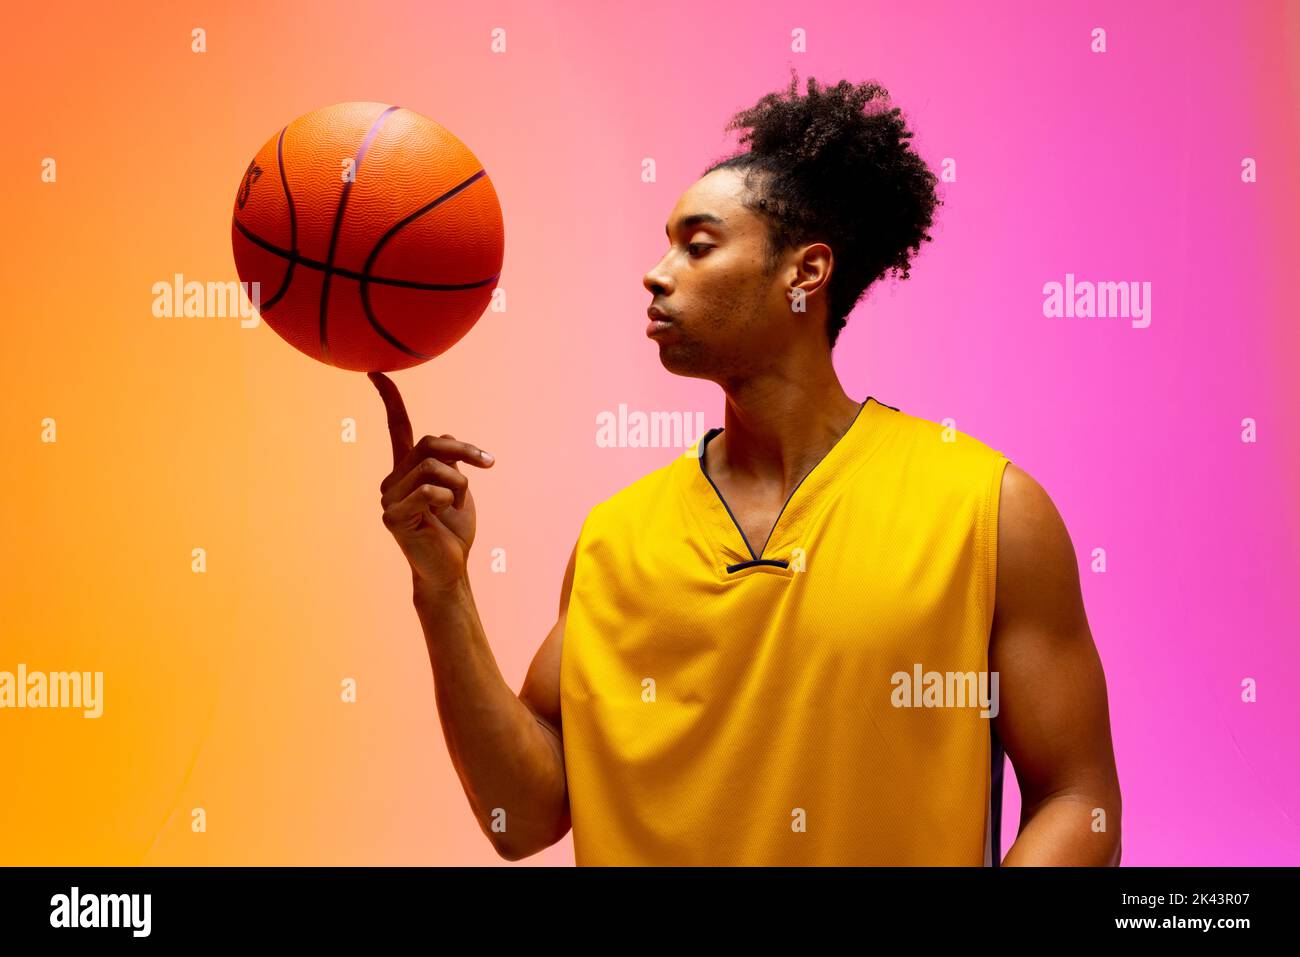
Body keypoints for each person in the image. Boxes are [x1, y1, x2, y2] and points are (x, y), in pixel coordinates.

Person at [369, 71, 1121, 866]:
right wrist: (443, 588)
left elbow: (1078, 800)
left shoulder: (986, 507)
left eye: (697, 245)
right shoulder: (615, 537)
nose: (656, 273)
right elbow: (517, 818)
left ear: (805, 274)